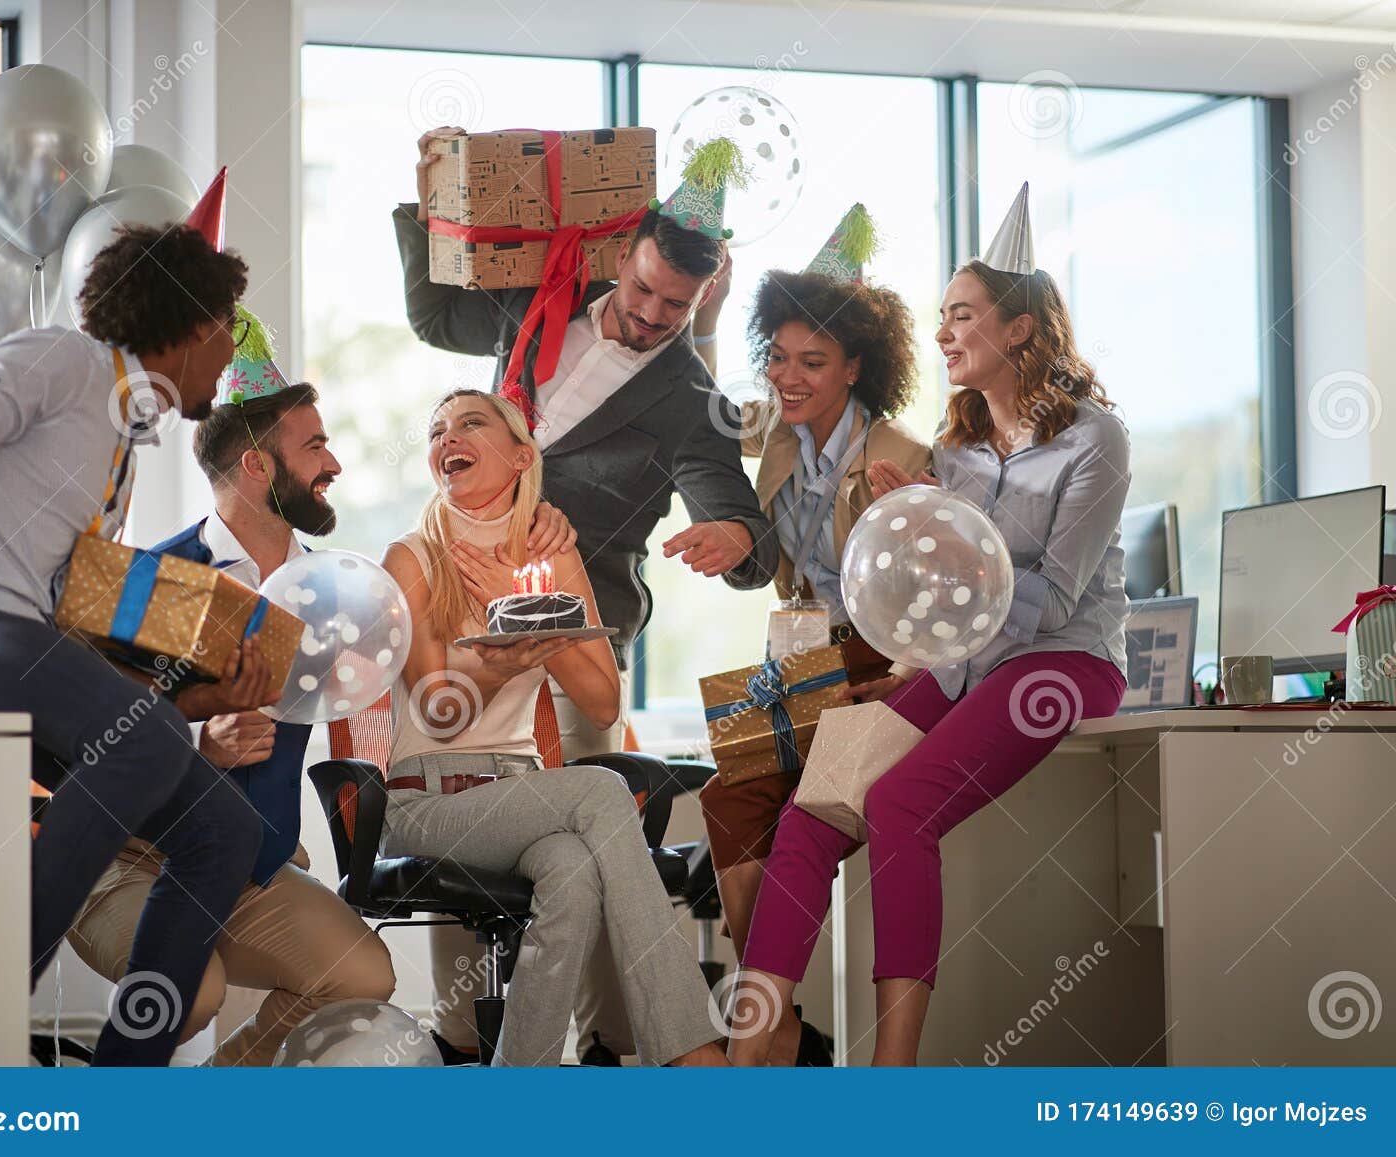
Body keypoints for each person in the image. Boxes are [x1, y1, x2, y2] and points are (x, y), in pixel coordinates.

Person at [728, 185, 1131, 1066]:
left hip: (1062, 662)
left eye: (962, 315)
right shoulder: (953, 451)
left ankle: (893, 1079)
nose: (946, 331)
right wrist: (912, 541)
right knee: (806, 818)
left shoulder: (1095, 439)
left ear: (1020, 329)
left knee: (902, 801)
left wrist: (944, 640)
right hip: (961, 668)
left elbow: (1052, 598)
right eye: (942, 317)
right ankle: (747, 1056)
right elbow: (947, 593)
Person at [396, 130, 777, 1062]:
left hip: (581, 639)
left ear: (702, 297)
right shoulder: (543, 299)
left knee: (600, 850)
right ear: (623, 260)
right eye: (644, 290)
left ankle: (614, 1047)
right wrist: (426, 202)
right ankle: (463, 1042)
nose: (651, 316)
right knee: (473, 831)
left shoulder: (691, 398)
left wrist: (736, 539)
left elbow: (741, 525)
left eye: (677, 306)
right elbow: (439, 318)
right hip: (474, 605)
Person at [0, 223, 269, 1066]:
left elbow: (83, 665)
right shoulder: (63, 361)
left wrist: (205, 698)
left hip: (11, 650)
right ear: (191, 325)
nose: (233, 349)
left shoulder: (122, 442)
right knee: (143, 739)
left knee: (224, 826)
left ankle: (121, 1085)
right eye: (229, 326)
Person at [65, 321, 398, 1065]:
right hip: (128, 855)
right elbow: (81, 735)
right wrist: (194, 742)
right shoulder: (163, 576)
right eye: (314, 447)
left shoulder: (331, 594)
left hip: (251, 859)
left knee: (362, 977)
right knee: (191, 993)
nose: (334, 463)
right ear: (256, 465)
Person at [378, 388, 728, 1067]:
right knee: (598, 791)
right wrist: (504, 664)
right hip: (426, 798)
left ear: (520, 455)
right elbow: (433, 713)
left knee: (572, 871)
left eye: (470, 422)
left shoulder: (552, 555)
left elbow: (601, 704)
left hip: (520, 796)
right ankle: (693, 1054)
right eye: (437, 429)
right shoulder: (412, 558)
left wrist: (535, 625)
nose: (449, 436)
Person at [688, 206, 933, 1065]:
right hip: (798, 653)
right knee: (726, 799)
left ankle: (766, 1027)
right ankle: (783, 1021)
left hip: (875, 655)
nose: (790, 378)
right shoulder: (779, 430)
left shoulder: (904, 451)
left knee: (802, 818)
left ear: (857, 366)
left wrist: (907, 666)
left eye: (813, 362)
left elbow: (947, 590)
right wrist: (710, 315)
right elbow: (707, 407)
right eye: (780, 357)